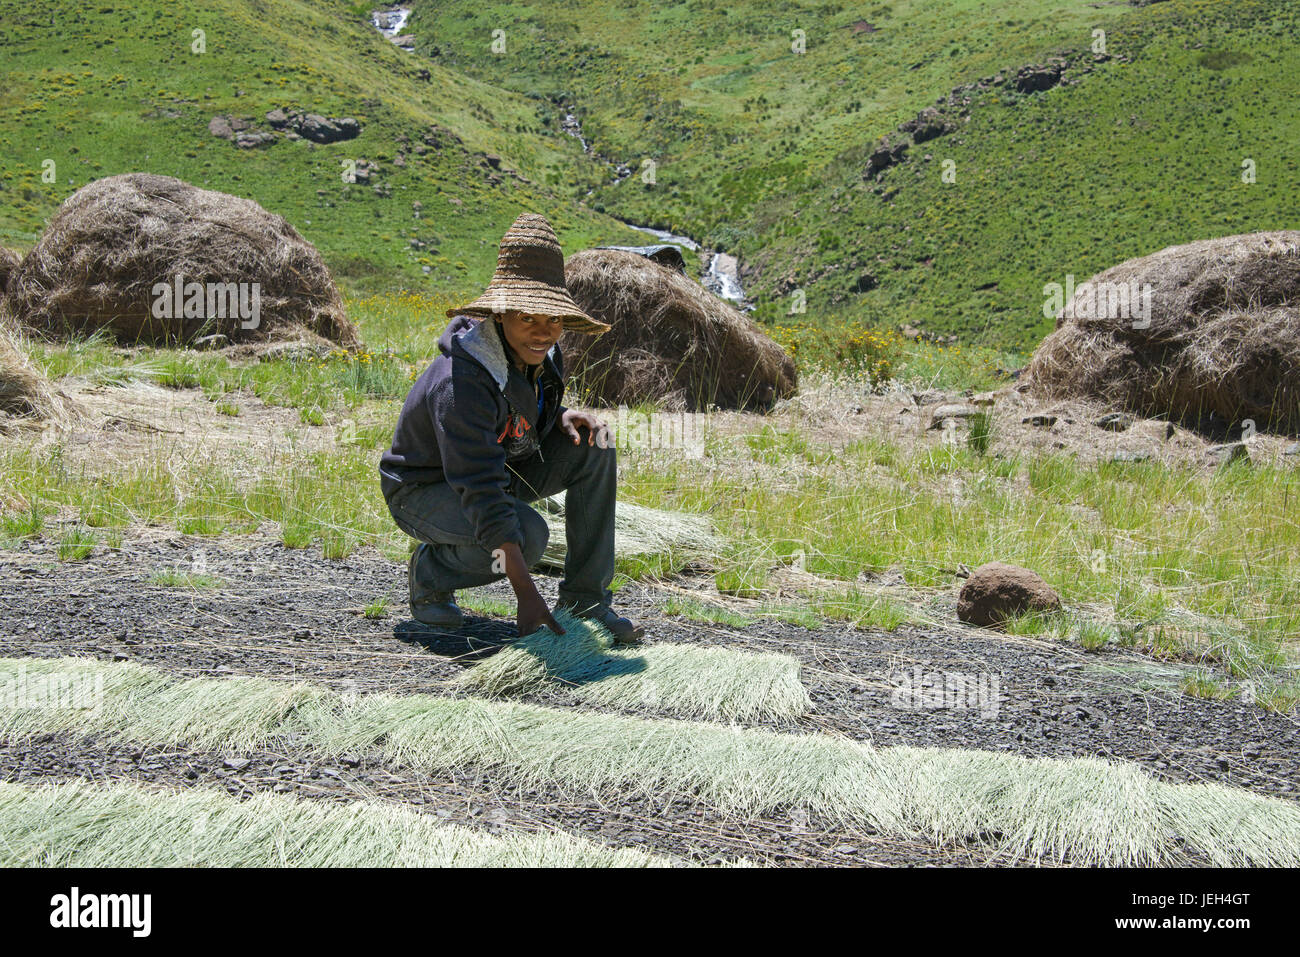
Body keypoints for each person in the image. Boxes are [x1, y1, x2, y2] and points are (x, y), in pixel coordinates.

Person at [379, 213, 644, 643]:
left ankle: (586, 601)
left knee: (597, 442)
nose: (542, 333)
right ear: (500, 315)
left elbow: (514, 409)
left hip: (502, 469)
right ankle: (430, 571)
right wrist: (526, 594)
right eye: (527, 318)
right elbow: (481, 488)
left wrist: (558, 418)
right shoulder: (459, 383)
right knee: (527, 533)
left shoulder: (541, 354)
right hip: (426, 490)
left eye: (553, 320)